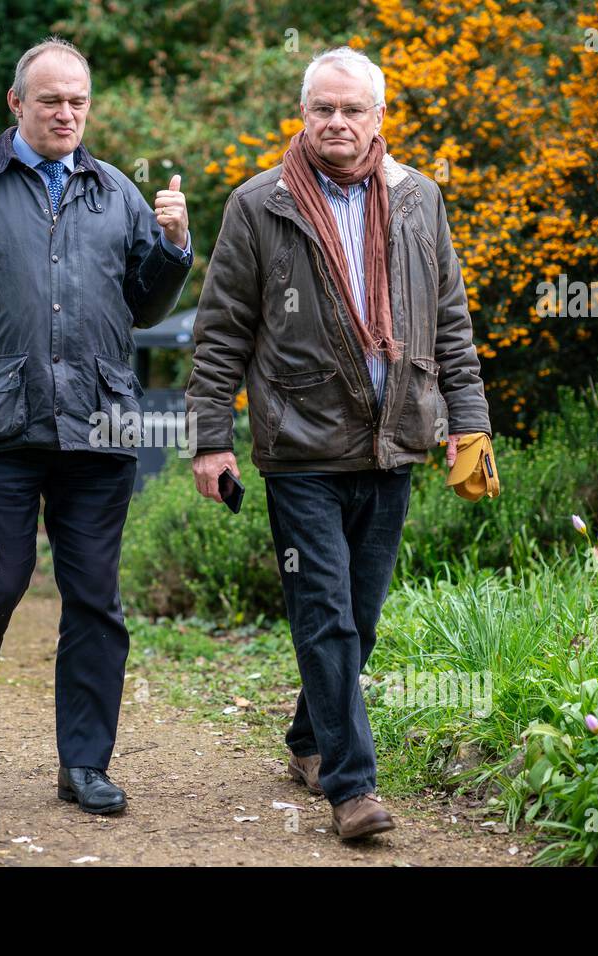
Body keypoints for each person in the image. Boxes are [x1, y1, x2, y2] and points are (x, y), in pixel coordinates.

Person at [185, 48, 494, 840]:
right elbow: (220, 333)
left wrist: (472, 419)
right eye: (322, 108)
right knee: (325, 612)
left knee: (361, 612)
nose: (336, 123)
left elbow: (451, 323)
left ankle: (307, 738)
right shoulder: (261, 204)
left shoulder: (421, 199)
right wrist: (209, 441)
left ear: (379, 118)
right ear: (303, 113)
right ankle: (353, 788)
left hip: (394, 442)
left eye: (352, 110)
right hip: (299, 448)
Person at [0, 37, 192, 814]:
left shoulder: (116, 190)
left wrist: (172, 248)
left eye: (79, 102)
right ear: (16, 104)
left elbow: (145, 306)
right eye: (52, 100)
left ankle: (84, 763)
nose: (67, 113)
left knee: (94, 597)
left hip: (99, 427)